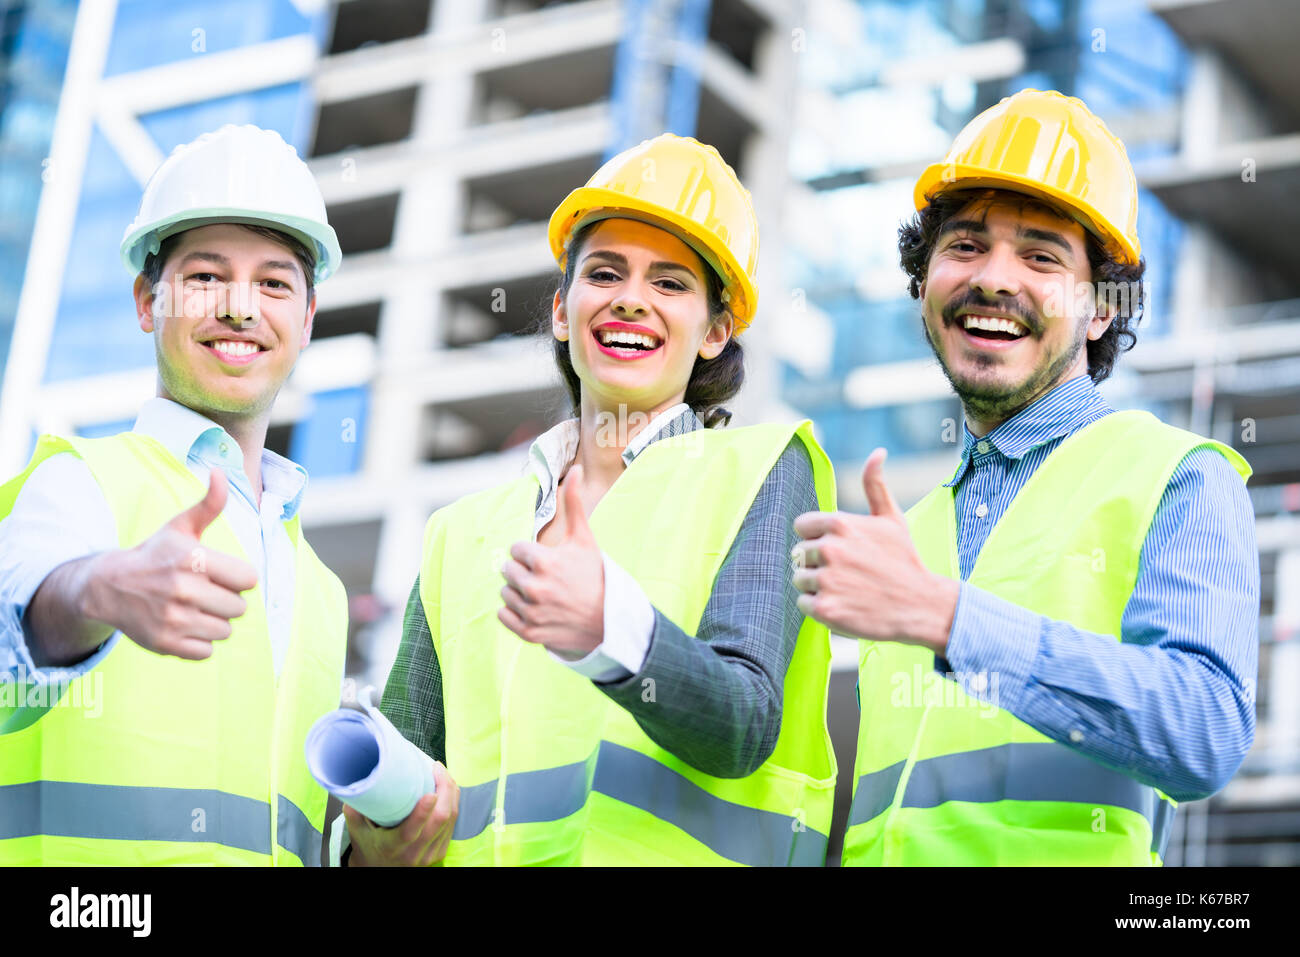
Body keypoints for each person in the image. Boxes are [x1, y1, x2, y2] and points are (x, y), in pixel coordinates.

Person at [337, 133, 838, 866]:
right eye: (605, 273)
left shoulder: (761, 468)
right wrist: (371, 842)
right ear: (562, 312)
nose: (630, 299)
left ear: (715, 332)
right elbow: (410, 775)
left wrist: (611, 629)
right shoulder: (461, 534)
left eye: (670, 284)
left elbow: (743, 723)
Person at [791, 89, 1259, 866]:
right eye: (965, 245)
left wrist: (948, 618)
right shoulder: (907, 535)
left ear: (1101, 310)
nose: (993, 279)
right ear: (924, 281)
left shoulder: (1178, 479)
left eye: (1041, 256)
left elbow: (1203, 729)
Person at [0, 124, 350, 865]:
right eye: (205, 277)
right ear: (145, 301)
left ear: (307, 320)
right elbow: (10, 643)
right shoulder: (79, 480)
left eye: (274, 283)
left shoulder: (322, 589)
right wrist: (97, 591)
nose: (241, 308)